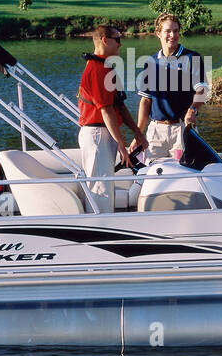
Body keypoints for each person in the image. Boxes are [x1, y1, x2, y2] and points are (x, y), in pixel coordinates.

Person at [77, 25, 147, 211]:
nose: (120, 44)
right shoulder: (97, 70)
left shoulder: (105, 68)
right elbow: (106, 111)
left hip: (103, 133)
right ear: (105, 40)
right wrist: (121, 145)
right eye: (117, 39)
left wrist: (137, 132)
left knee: (105, 187)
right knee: (100, 189)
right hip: (97, 134)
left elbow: (119, 105)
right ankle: (98, 229)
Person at [135, 13, 209, 161]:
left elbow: (203, 90)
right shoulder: (150, 62)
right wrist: (137, 135)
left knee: (183, 175)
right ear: (158, 33)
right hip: (155, 132)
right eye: (168, 31)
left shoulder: (191, 58)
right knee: (150, 174)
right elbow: (145, 101)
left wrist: (192, 109)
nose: (172, 35)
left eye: (175, 31)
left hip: (182, 130)